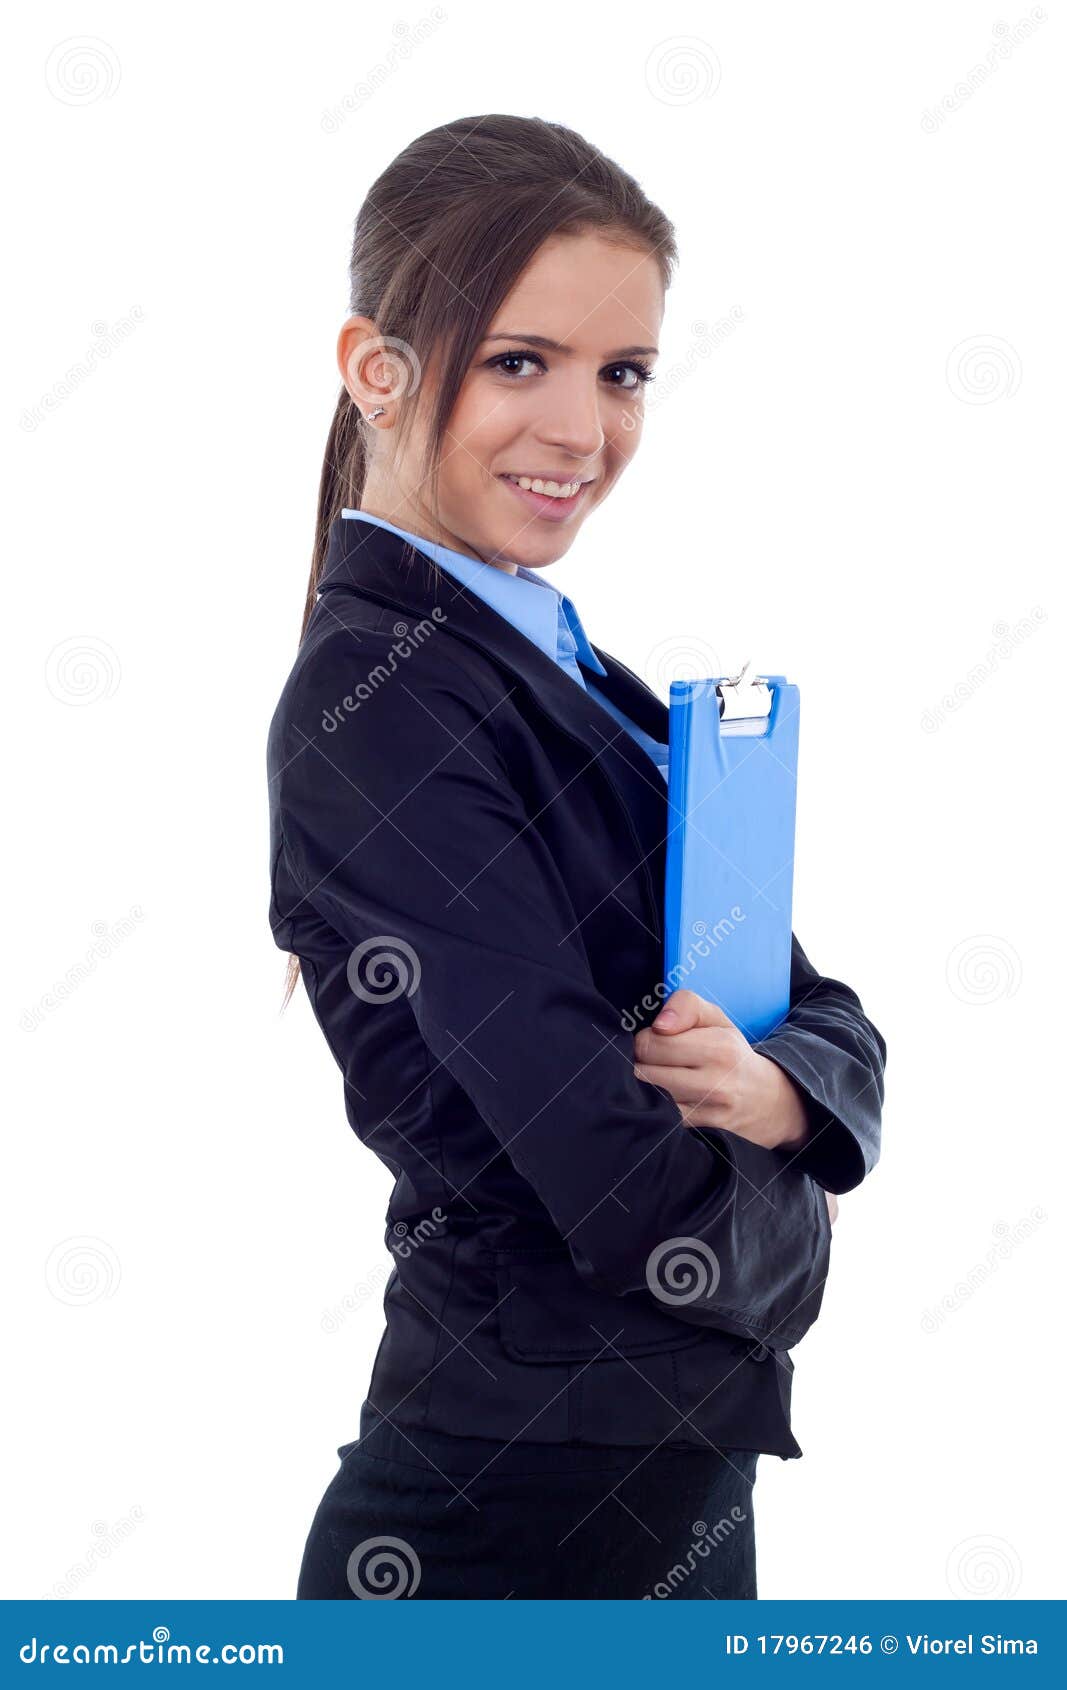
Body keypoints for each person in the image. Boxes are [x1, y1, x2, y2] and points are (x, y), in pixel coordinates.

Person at [266, 113, 886, 1600]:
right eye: (519, 360)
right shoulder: (383, 701)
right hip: (515, 1509)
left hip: (636, 1481)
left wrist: (788, 1089)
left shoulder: (564, 669)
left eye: (623, 374)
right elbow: (609, 1177)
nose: (580, 430)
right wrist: (803, 1221)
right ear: (381, 368)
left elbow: (825, 1008)